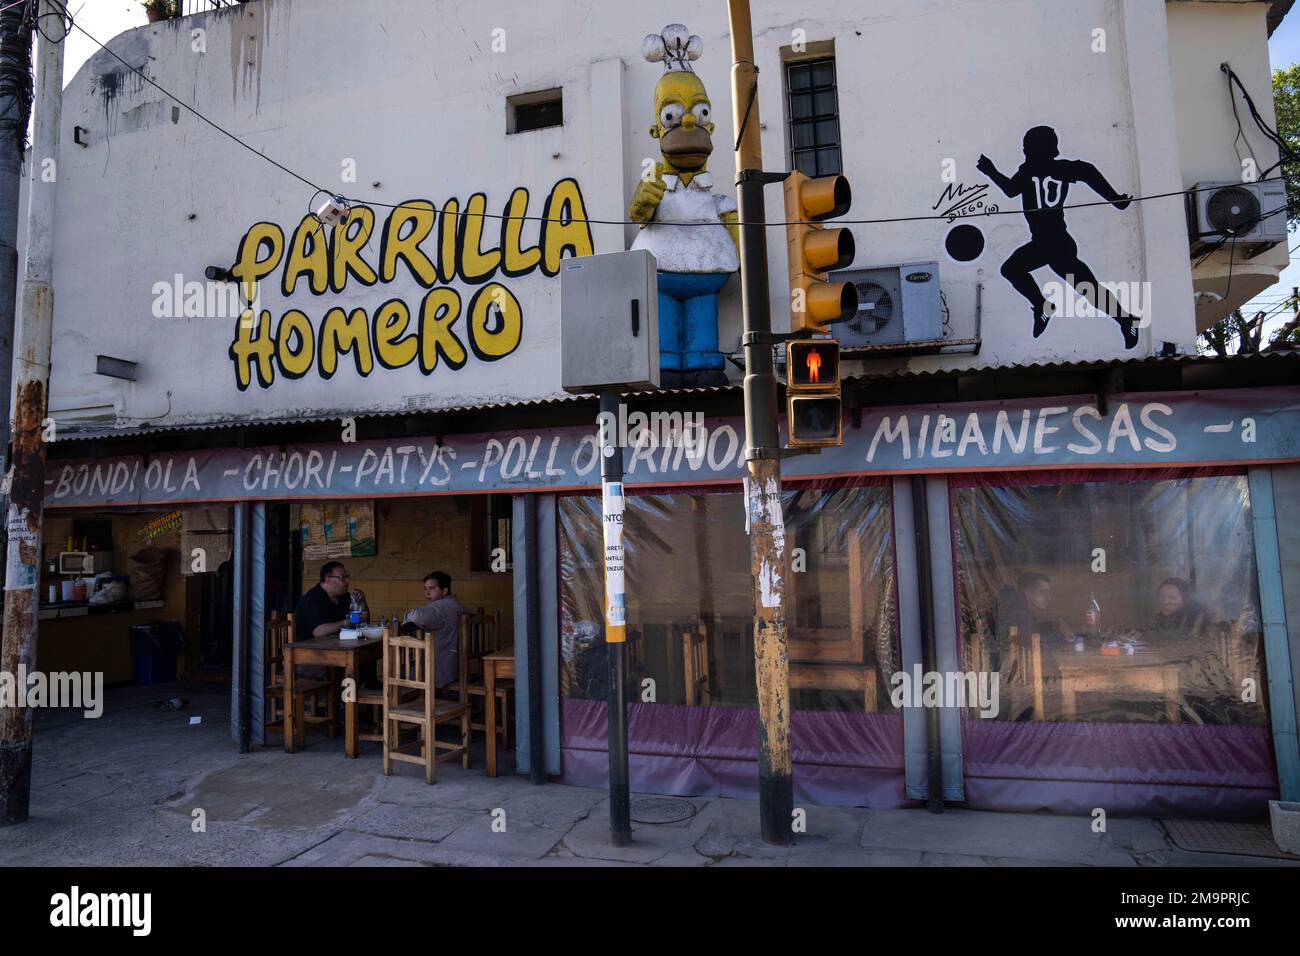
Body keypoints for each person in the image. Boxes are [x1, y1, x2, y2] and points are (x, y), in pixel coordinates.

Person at [977, 126, 1139, 348]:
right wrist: (1114, 199)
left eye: (1027, 148)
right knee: (1087, 288)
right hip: (1055, 242)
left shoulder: (1028, 172)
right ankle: (1124, 319)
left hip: (1050, 242)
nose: (1024, 152)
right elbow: (1088, 171)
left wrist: (990, 171)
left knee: (1013, 269)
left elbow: (1010, 190)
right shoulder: (1062, 169)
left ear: (1036, 150)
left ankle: (1043, 306)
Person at [403, 571, 467, 688]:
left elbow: (418, 617)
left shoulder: (442, 607)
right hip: (456, 663)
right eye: (425, 588)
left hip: (441, 669)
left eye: (431, 588)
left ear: (444, 591)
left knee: (398, 671)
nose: (427, 593)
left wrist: (406, 616)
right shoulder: (456, 604)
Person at [293, 561, 352, 643]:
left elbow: (361, 620)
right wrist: (346, 623)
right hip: (310, 649)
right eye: (342, 577)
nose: (347, 581)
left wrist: (361, 602)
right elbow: (318, 632)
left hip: (336, 645)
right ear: (327, 579)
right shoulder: (311, 599)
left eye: (347, 577)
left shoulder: (344, 596)